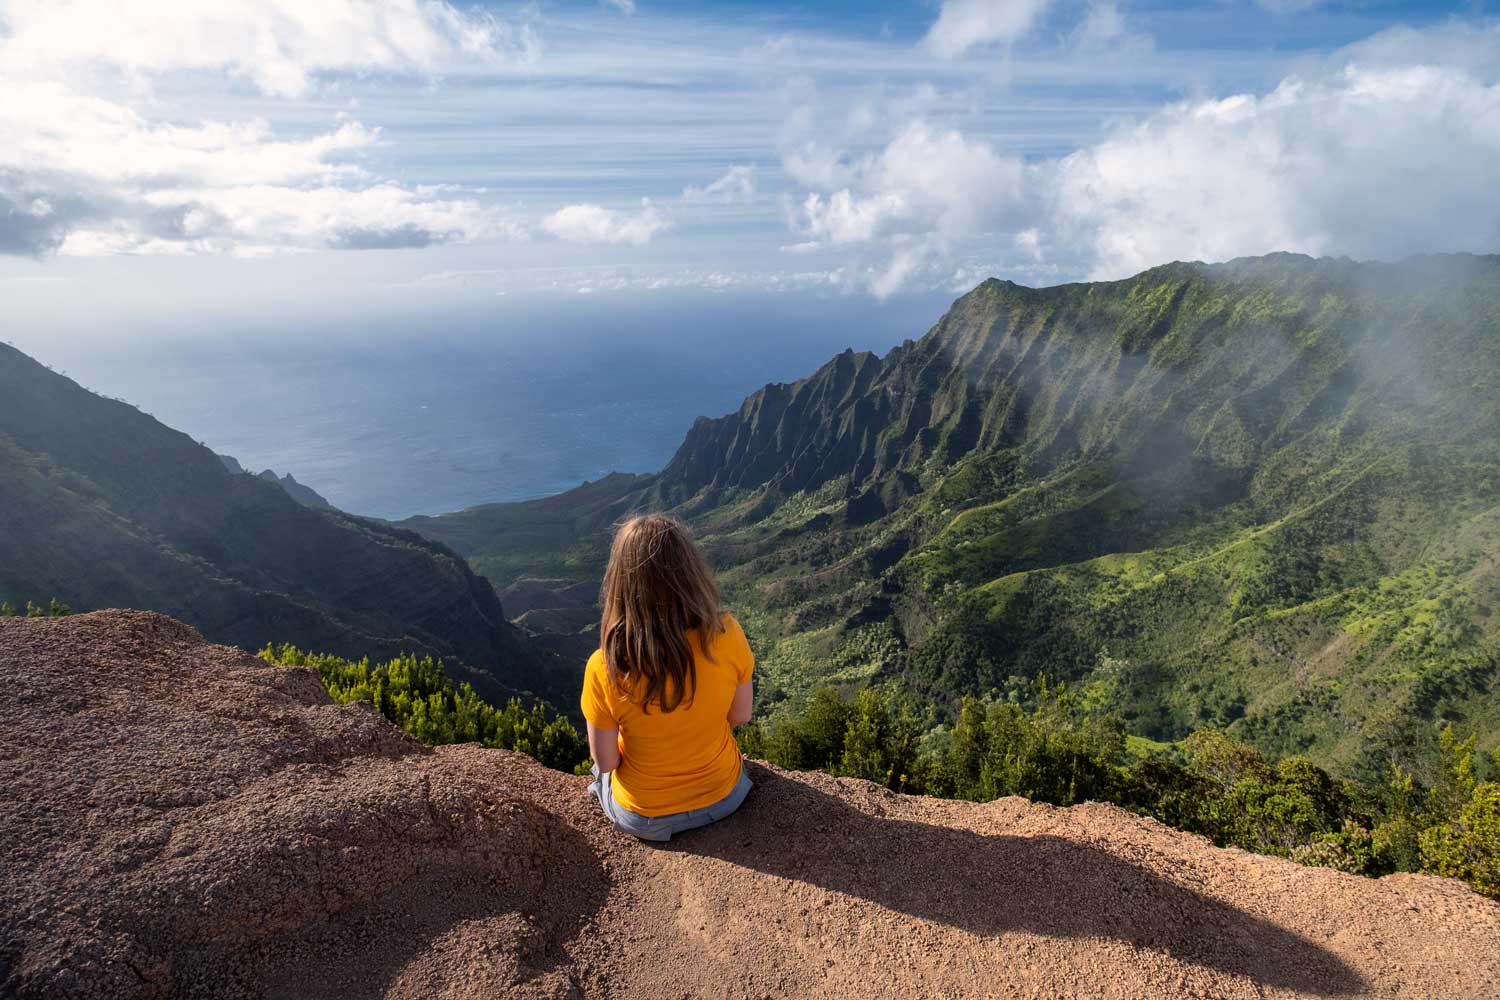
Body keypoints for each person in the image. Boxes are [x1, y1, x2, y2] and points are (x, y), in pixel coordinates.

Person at [581, 513, 754, 842]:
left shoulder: (605, 666)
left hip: (645, 817)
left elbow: (606, 761)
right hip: (726, 797)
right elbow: (740, 715)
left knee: (597, 776)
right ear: (690, 572)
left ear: (620, 582)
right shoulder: (727, 632)